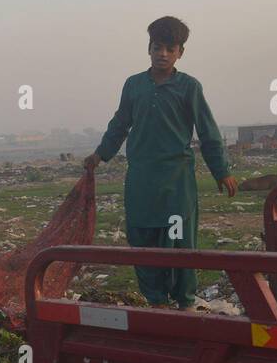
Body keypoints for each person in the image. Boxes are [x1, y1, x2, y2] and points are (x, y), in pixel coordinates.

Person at [84, 17, 237, 308]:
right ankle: (156, 303)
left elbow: (207, 131)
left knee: (179, 243)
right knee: (142, 241)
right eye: (157, 47)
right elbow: (120, 124)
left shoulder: (189, 87)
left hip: (176, 183)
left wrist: (222, 171)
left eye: (170, 48)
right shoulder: (134, 85)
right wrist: (99, 155)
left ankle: (185, 304)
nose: (162, 53)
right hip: (141, 180)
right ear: (149, 48)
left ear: (180, 52)